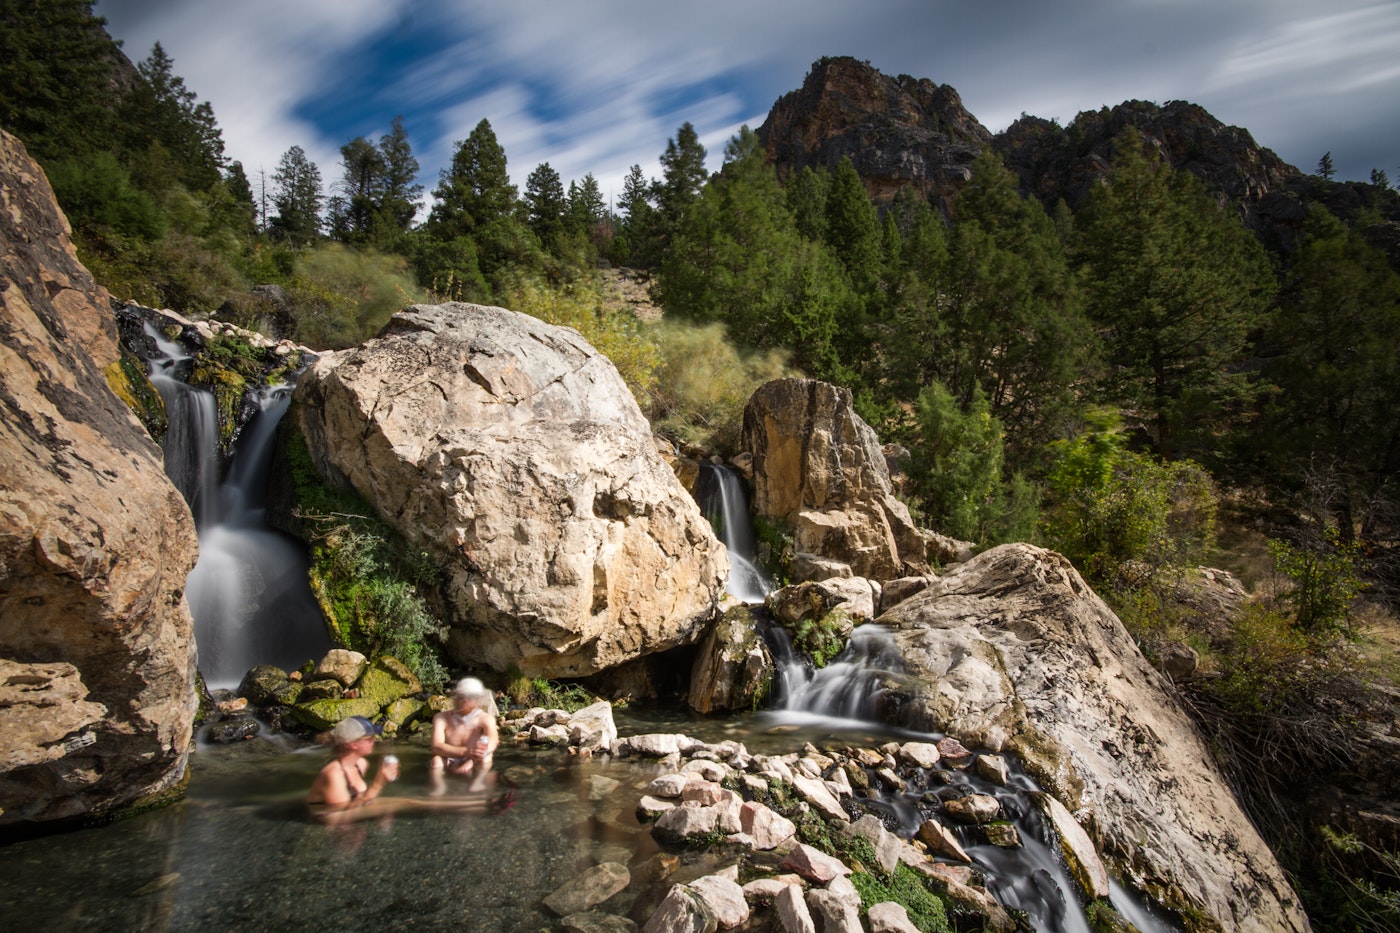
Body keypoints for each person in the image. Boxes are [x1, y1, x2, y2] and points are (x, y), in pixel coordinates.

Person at [306, 715, 400, 823]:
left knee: (407, 804)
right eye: (369, 739)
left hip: (348, 814)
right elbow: (343, 816)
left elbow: (359, 801)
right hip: (327, 820)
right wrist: (379, 783)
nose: (374, 740)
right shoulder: (333, 774)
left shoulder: (361, 764)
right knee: (398, 806)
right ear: (354, 744)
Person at [430, 676, 500, 793]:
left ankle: (479, 783)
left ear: (477, 701)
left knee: (487, 757)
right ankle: (439, 787)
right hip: (450, 757)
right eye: (460, 696)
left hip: (475, 758)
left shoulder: (485, 718)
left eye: (468, 697)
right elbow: (436, 746)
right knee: (436, 761)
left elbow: (494, 739)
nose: (463, 700)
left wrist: (478, 753)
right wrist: (467, 751)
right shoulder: (442, 718)